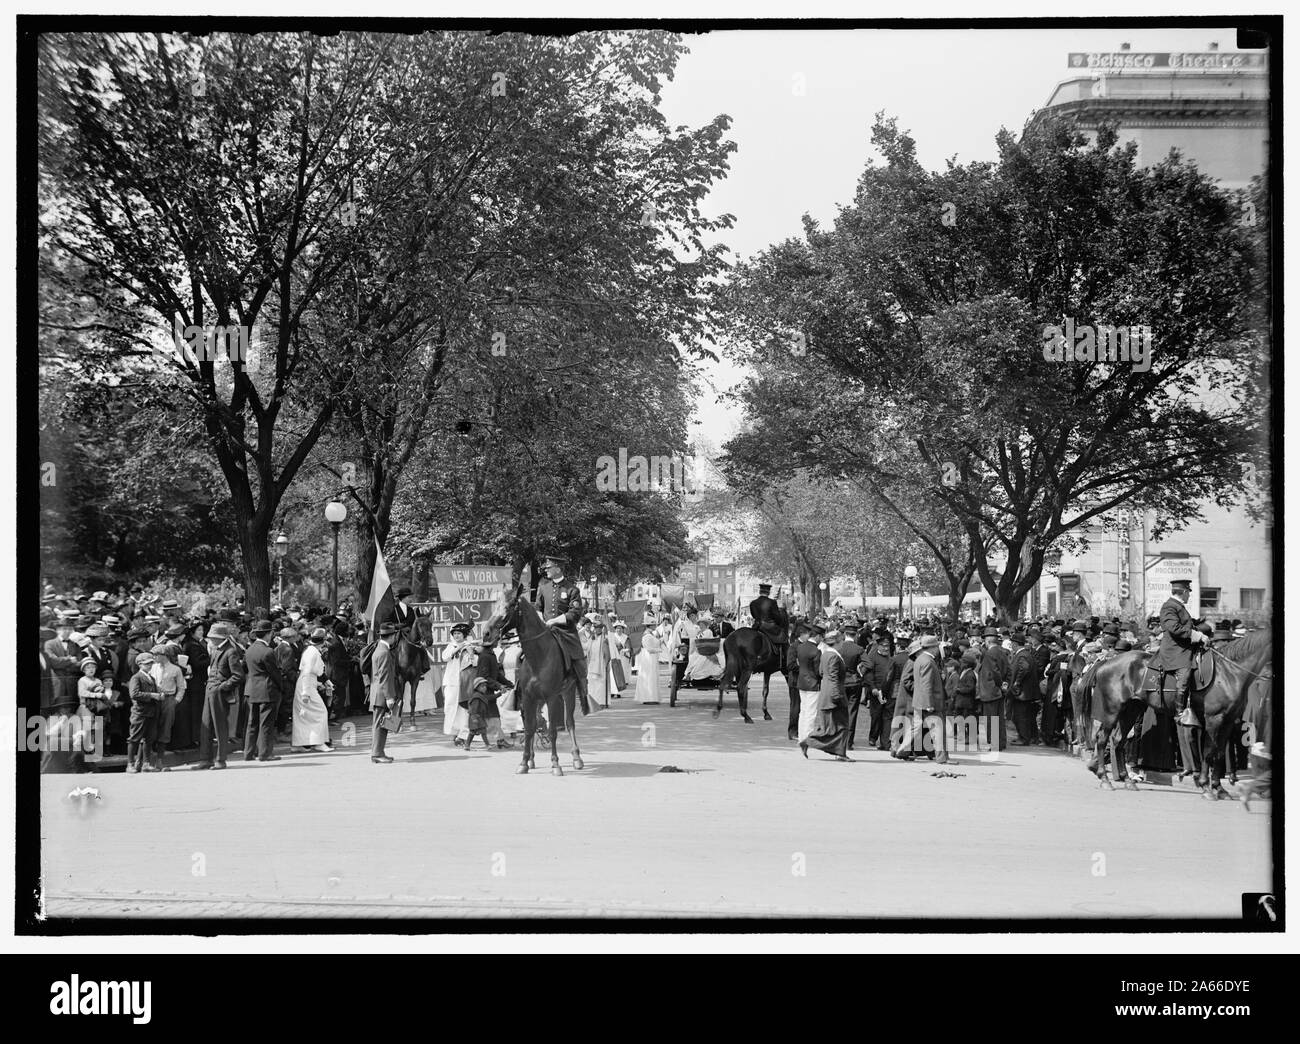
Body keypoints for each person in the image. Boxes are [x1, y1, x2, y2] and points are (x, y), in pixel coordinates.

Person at [534, 555, 591, 712]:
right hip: (545, 631)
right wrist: (541, 623)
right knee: (522, 654)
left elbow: (575, 614)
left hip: (565, 632)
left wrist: (553, 621)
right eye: (546, 568)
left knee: (578, 660)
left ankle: (584, 694)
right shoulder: (543, 587)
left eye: (549, 568)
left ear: (557, 569)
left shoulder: (572, 589)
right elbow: (538, 608)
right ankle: (518, 692)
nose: (546, 570)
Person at [1149, 578, 1205, 726]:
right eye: (1189, 593)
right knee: (1185, 673)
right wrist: (1196, 635)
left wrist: (1200, 633)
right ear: (1184, 592)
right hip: (1175, 650)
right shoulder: (1169, 606)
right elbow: (1174, 628)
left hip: (1184, 647)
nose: (1189, 596)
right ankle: (1180, 713)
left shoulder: (1178, 606)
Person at [803, 624, 851, 760]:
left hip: (827, 693)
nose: (842, 643)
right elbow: (833, 677)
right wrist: (837, 696)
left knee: (834, 726)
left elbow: (821, 672)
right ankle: (811, 742)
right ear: (837, 642)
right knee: (840, 726)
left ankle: (838, 751)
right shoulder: (834, 657)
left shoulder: (826, 654)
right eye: (841, 641)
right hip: (834, 695)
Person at [242, 619, 283, 763]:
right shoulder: (268, 651)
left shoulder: (249, 649)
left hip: (251, 689)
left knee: (252, 724)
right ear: (269, 634)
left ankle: (248, 753)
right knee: (266, 724)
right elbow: (275, 673)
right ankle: (265, 753)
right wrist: (281, 687)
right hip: (267, 690)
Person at [292, 628, 333, 753]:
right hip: (306, 685)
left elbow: (313, 672)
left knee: (303, 716)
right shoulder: (313, 652)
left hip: (308, 683)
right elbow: (307, 672)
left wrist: (323, 683)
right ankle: (318, 742)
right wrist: (305, 691)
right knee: (320, 712)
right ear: (323, 641)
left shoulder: (311, 650)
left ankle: (298, 743)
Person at [148, 642, 185, 771]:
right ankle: (146, 761)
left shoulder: (175, 669)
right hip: (154, 699)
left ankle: (160, 760)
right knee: (151, 728)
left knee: (165, 729)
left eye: (156, 655)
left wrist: (176, 700)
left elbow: (181, 687)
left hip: (168, 699)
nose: (154, 658)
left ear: (164, 655)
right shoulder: (153, 668)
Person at [126, 652, 162, 773]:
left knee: (149, 738)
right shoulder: (136, 677)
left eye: (151, 663)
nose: (150, 666)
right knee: (134, 738)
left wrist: (159, 695)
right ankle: (130, 764)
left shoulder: (151, 678)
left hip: (151, 711)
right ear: (140, 665)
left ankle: (146, 763)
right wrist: (152, 695)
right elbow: (134, 694)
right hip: (140, 712)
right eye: (147, 664)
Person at [369, 621, 400, 763]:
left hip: (379, 692)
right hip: (382, 693)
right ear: (392, 636)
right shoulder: (384, 652)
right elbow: (384, 676)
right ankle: (377, 753)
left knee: (382, 724)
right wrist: (389, 697)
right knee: (380, 724)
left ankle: (379, 752)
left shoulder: (380, 649)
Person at [861, 626, 894, 750]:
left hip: (887, 691)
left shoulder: (891, 658)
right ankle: (873, 737)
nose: (886, 648)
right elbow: (868, 675)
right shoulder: (873, 657)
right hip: (875, 691)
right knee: (876, 716)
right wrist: (873, 688)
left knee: (886, 717)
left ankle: (884, 740)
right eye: (884, 646)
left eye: (887, 646)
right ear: (879, 646)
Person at [442, 621, 473, 744]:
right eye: (454, 633)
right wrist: (457, 649)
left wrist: (470, 653)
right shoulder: (451, 646)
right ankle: (452, 731)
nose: (456, 636)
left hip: (464, 681)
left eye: (459, 633)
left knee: (463, 708)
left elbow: (474, 662)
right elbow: (445, 657)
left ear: (464, 634)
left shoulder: (469, 645)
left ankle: (463, 734)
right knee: (449, 706)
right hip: (451, 681)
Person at [837, 624, 866, 750]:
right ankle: (849, 741)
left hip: (841, 681)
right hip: (854, 681)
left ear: (845, 634)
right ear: (856, 635)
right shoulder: (859, 649)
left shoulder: (839, 647)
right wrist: (860, 671)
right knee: (852, 711)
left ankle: (839, 739)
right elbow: (868, 663)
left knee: (840, 710)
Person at [794, 622, 824, 744]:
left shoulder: (800, 647)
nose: (821, 640)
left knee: (803, 711)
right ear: (817, 636)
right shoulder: (816, 651)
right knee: (811, 713)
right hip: (812, 684)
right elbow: (818, 671)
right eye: (821, 637)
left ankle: (801, 736)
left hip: (801, 681)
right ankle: (807, 738)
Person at [667, 606, 699, 709]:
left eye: (695, 615)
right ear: (689, 616)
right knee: (683, 658)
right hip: (687, 646)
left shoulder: (698, 625)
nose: (694, 617)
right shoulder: (684, 624)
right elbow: (678, 632)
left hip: (697, 646)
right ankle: (683, 676)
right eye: (692, 615)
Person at [635, 625, 662, 704]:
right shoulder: (647, 635)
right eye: (653, 624)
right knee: (649, 677)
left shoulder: (651, 634)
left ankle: (652, 697)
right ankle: (648, 698)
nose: (655, 626)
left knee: (652, 676)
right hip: (649, 658)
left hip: (652, 658)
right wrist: (659, 650)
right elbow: (649, 649)